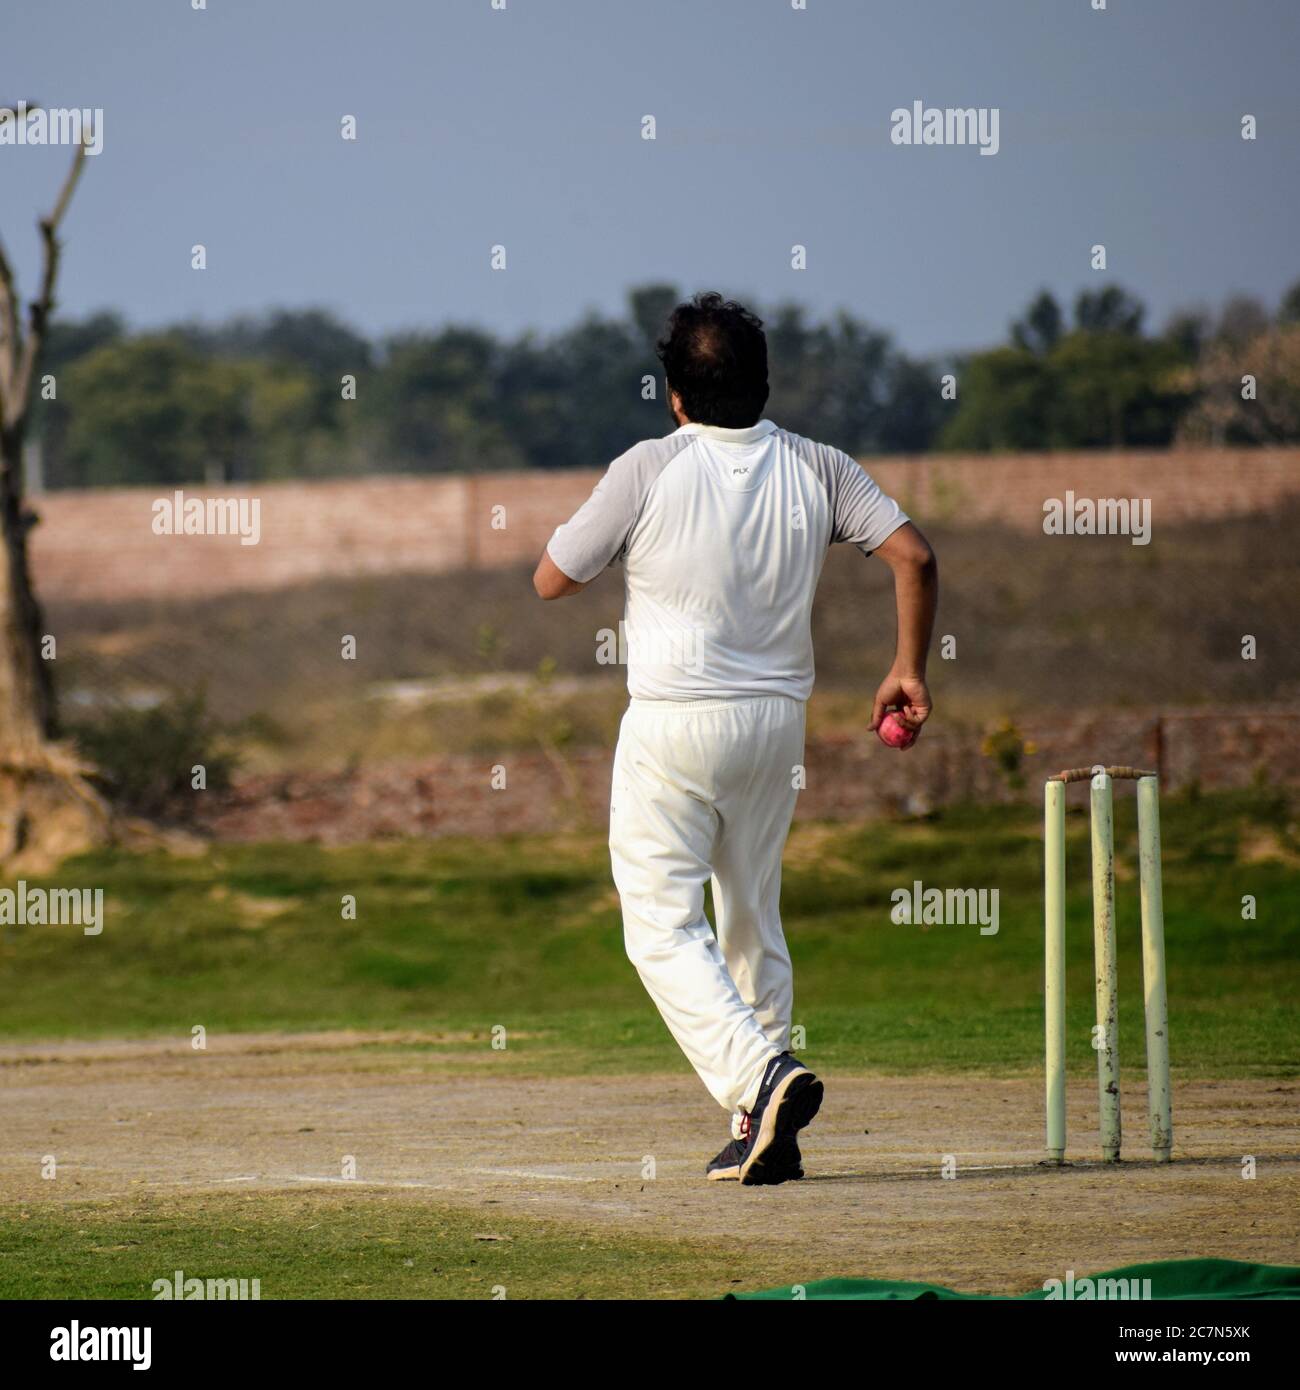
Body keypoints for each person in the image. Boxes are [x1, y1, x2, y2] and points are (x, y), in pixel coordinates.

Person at [533, 292, 937, 1186]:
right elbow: (913, 555)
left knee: (659, 924)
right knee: (751, 914)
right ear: (763, 383)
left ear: (674, 393)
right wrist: (906, 668)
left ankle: (762, 1077)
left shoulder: (648, 466)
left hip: (676, 722)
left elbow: (552, 579)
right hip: (774, 729)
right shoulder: (820, 465)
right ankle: (766, 1131)